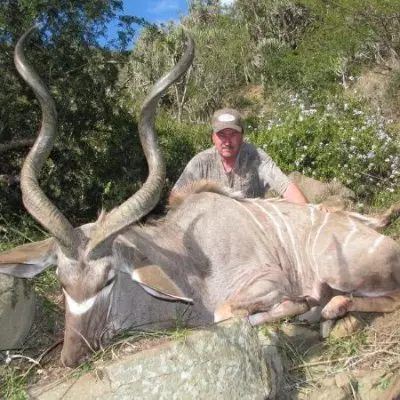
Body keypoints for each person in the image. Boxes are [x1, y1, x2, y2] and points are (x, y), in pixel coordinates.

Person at [172, 108, 308, 203]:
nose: (227, 141)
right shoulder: (200, 162)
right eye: (221, 135)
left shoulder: (256, 157)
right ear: (212, 137)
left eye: (233, 134)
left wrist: (310, 210)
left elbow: (285, 186)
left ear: (242, 136)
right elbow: (175, 196)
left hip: (248, 228)